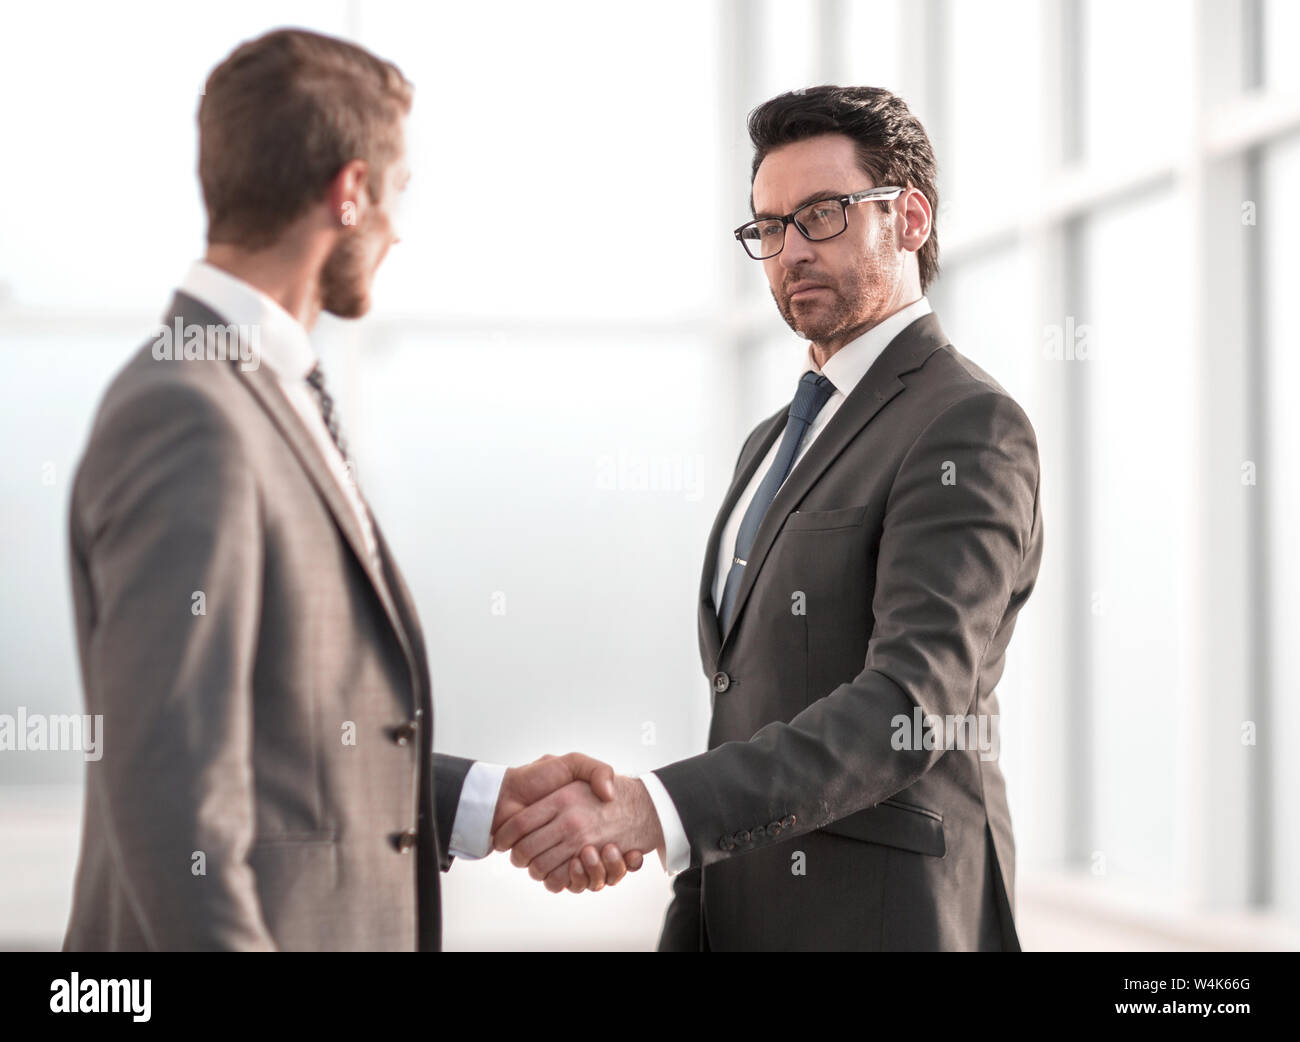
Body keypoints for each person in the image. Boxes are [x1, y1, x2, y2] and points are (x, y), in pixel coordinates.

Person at [62, 27, 635, 953]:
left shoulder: (263, 391)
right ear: (351, 191)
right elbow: (171, 794)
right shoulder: (189, 411)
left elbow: (286, 745)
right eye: (398, 190)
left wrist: (485, 801)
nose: (398, 229)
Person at [495, 85, 1044, 951]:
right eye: (769, 227)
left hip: (883, 923)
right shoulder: (772, 442)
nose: (791, 251)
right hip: (738, 910)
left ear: (909, 219)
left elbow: (910, 707)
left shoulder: (966, 423)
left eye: (822, 215)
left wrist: (655, 808)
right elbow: (742, 707)